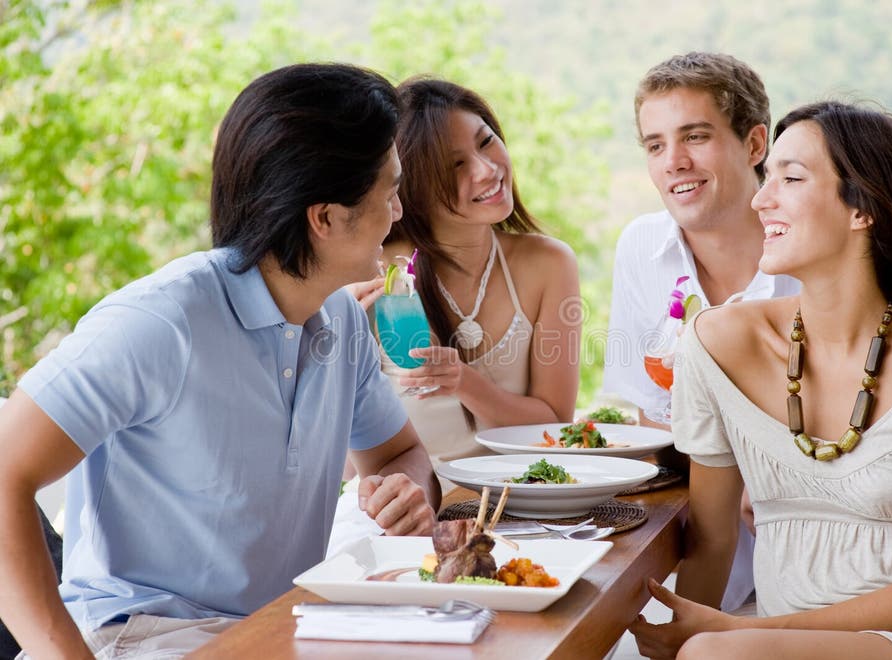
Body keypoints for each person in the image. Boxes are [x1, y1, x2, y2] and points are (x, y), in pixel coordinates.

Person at [0, 62, 440, 659]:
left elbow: (398, 453)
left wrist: (404, 490)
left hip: (276, 633)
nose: (398, 211)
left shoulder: (341, 321)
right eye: (389, 192)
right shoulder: (160, 322)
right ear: (326, 218)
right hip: (140, 635)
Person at [629, 101, 892, 659]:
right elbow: (713, 538)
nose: (760, 199)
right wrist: (689, 635)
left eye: (790, 178)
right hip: (780, 641)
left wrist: (732, 635)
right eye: (766, 175)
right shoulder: (716, 344)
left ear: (862, 208)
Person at [604, 51, 800, 612]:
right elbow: (652, 418)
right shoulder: (642, 247)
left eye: (695, 136)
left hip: (807, 522)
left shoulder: (812, 244)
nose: (674, 162)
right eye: (655, 145)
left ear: (756, 144)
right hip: (697, 519)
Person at [361, 77, 581, 470]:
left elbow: (553, 426)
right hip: (409, 509)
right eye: (455, 165)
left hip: (522, 501)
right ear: (412, 187)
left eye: (485, 142)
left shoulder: (549, 263)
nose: (486, 170)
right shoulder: (377, 274)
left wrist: (463, 381)